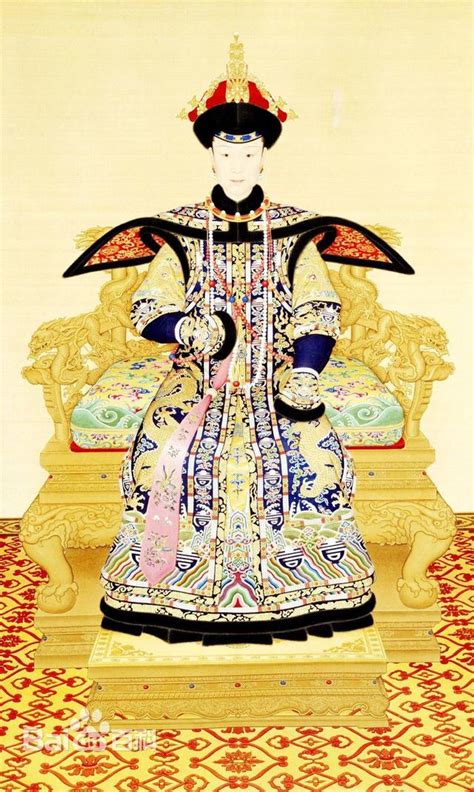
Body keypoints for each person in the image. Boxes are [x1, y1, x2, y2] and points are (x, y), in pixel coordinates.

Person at [64, 37, 413, 645]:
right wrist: (184, 328)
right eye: (227, 152)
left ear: (264, 156)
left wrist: (306, 370)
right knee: (166, 451)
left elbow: (318, 309)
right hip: (198, 374)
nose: (237, 164)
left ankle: (307, 586)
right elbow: (148, 306)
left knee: (312, 454)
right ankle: (170, 589)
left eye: (248, 152)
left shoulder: (296, 231)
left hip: (278, 370)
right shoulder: (180, 231)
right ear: (211, 156)